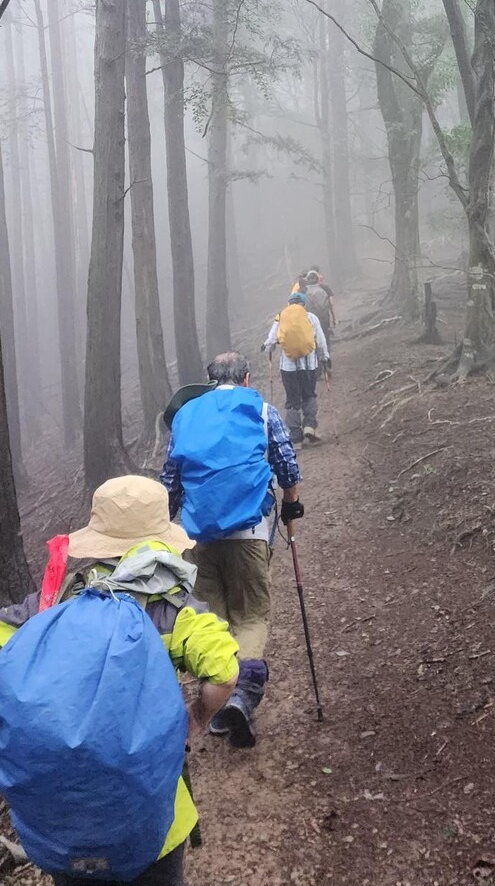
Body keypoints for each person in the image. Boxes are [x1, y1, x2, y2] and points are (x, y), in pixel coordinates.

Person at [0, 476, 239, 886]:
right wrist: (197, 716)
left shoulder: (52, 606)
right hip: (155, 818)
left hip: (65, 824)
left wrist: (28, 706)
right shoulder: (173, 609)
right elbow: (224, 674)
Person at [159, 351, 303, 748]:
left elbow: (170, 481)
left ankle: (221, 690)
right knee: (252, 615)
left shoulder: (186, 416)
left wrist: (167, 532)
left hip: (199, 535)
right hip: (250, 531)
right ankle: (241, 695)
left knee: (213, 620)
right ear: (246, 377)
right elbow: (287, 466)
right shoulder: (261, 410)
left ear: (209, 379)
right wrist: (291, 504)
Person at [264, 291, 330, 444]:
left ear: (289, 303)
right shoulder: (311, 317)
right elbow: (320, 339)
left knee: (292, 400)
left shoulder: (281, 316)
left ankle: (295, 436)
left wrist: (268, 349)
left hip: (288, 368)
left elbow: (271, 341)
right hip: (309, 365)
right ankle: (309, 427)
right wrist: (324, 357)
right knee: (309, 395)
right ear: (304, 304)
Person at [302, 269, 337, 346]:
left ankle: (316, 356)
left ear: (307, 280)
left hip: (311, 320)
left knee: (314, 338)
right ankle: (327, 354)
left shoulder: (303, 290)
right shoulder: (324, 287)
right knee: (325, 336)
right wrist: (334, 318)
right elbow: (331, 303)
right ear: (317, 279)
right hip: (324, 318)